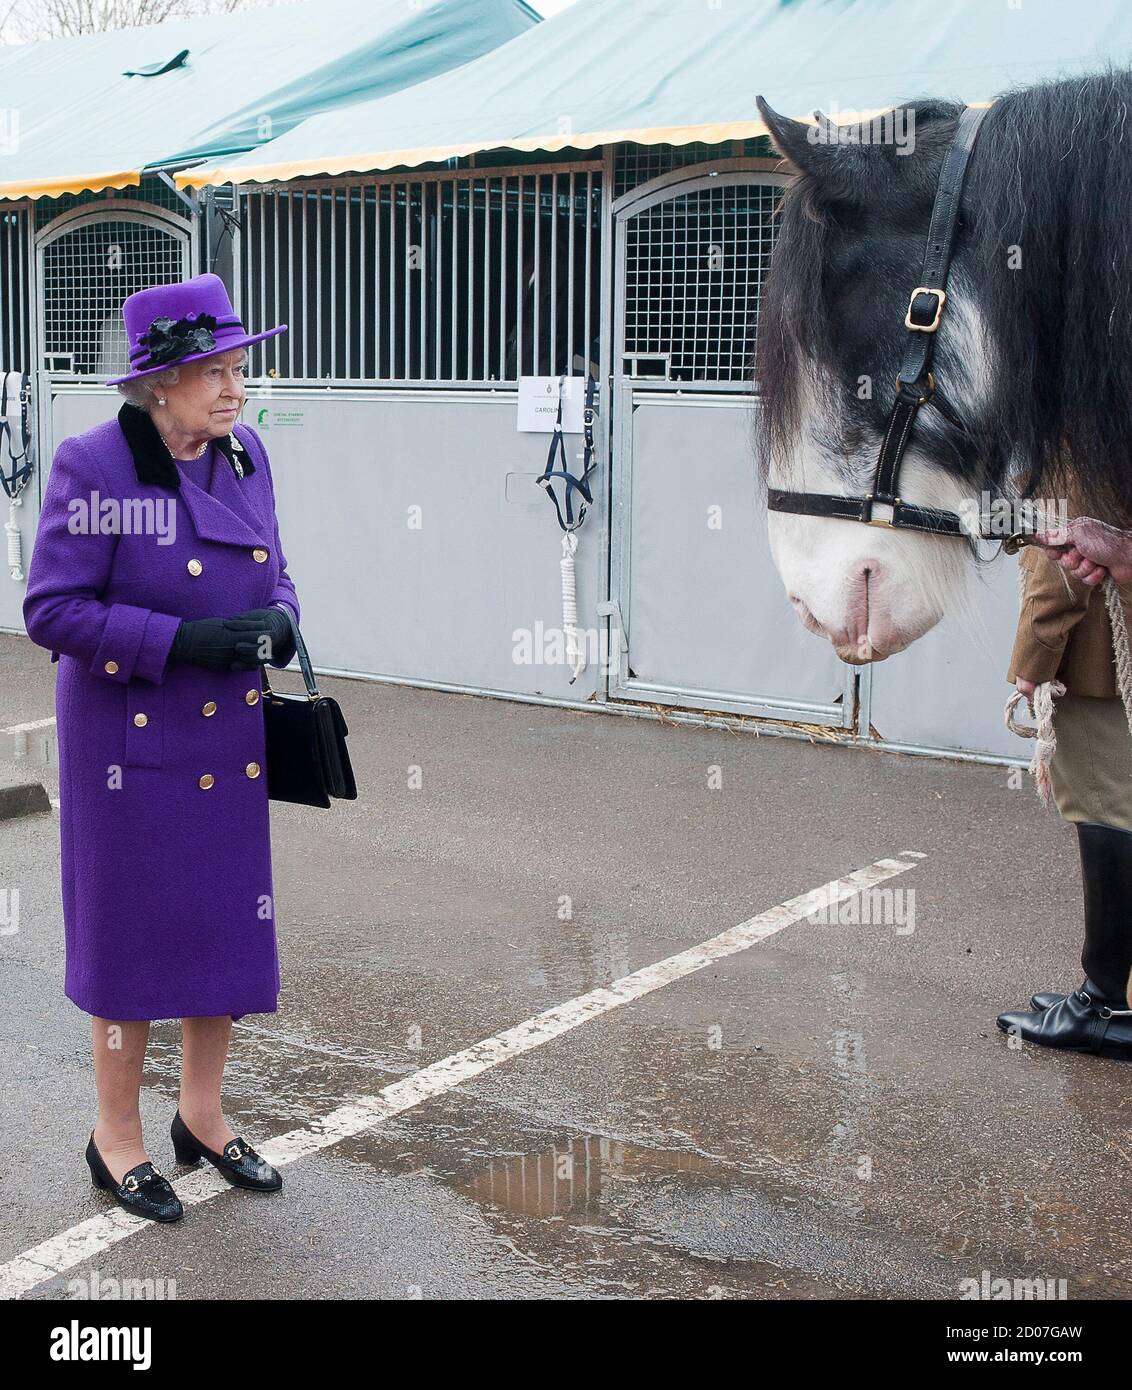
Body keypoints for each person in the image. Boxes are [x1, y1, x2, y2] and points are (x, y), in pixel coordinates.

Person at [23, 273, 299, 1221]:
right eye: (213, 372)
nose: (236, 388)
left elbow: (279, 566)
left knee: (220, 928)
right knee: (131, 945)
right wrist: (180, 642)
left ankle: (202, 1116)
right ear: (156, 385)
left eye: (240, 368)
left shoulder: (247, 454)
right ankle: (117, 1137)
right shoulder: (97, 467)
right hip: (128, 748)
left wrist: (282, 624)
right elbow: (52, 610)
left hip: (228, 733)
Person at [997, 484, 1132, 1058]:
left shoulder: (1074, 411)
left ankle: (1105, 1006)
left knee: (1108, 810)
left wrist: (1032, 659)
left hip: (1098, 658)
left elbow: (1063, 569)